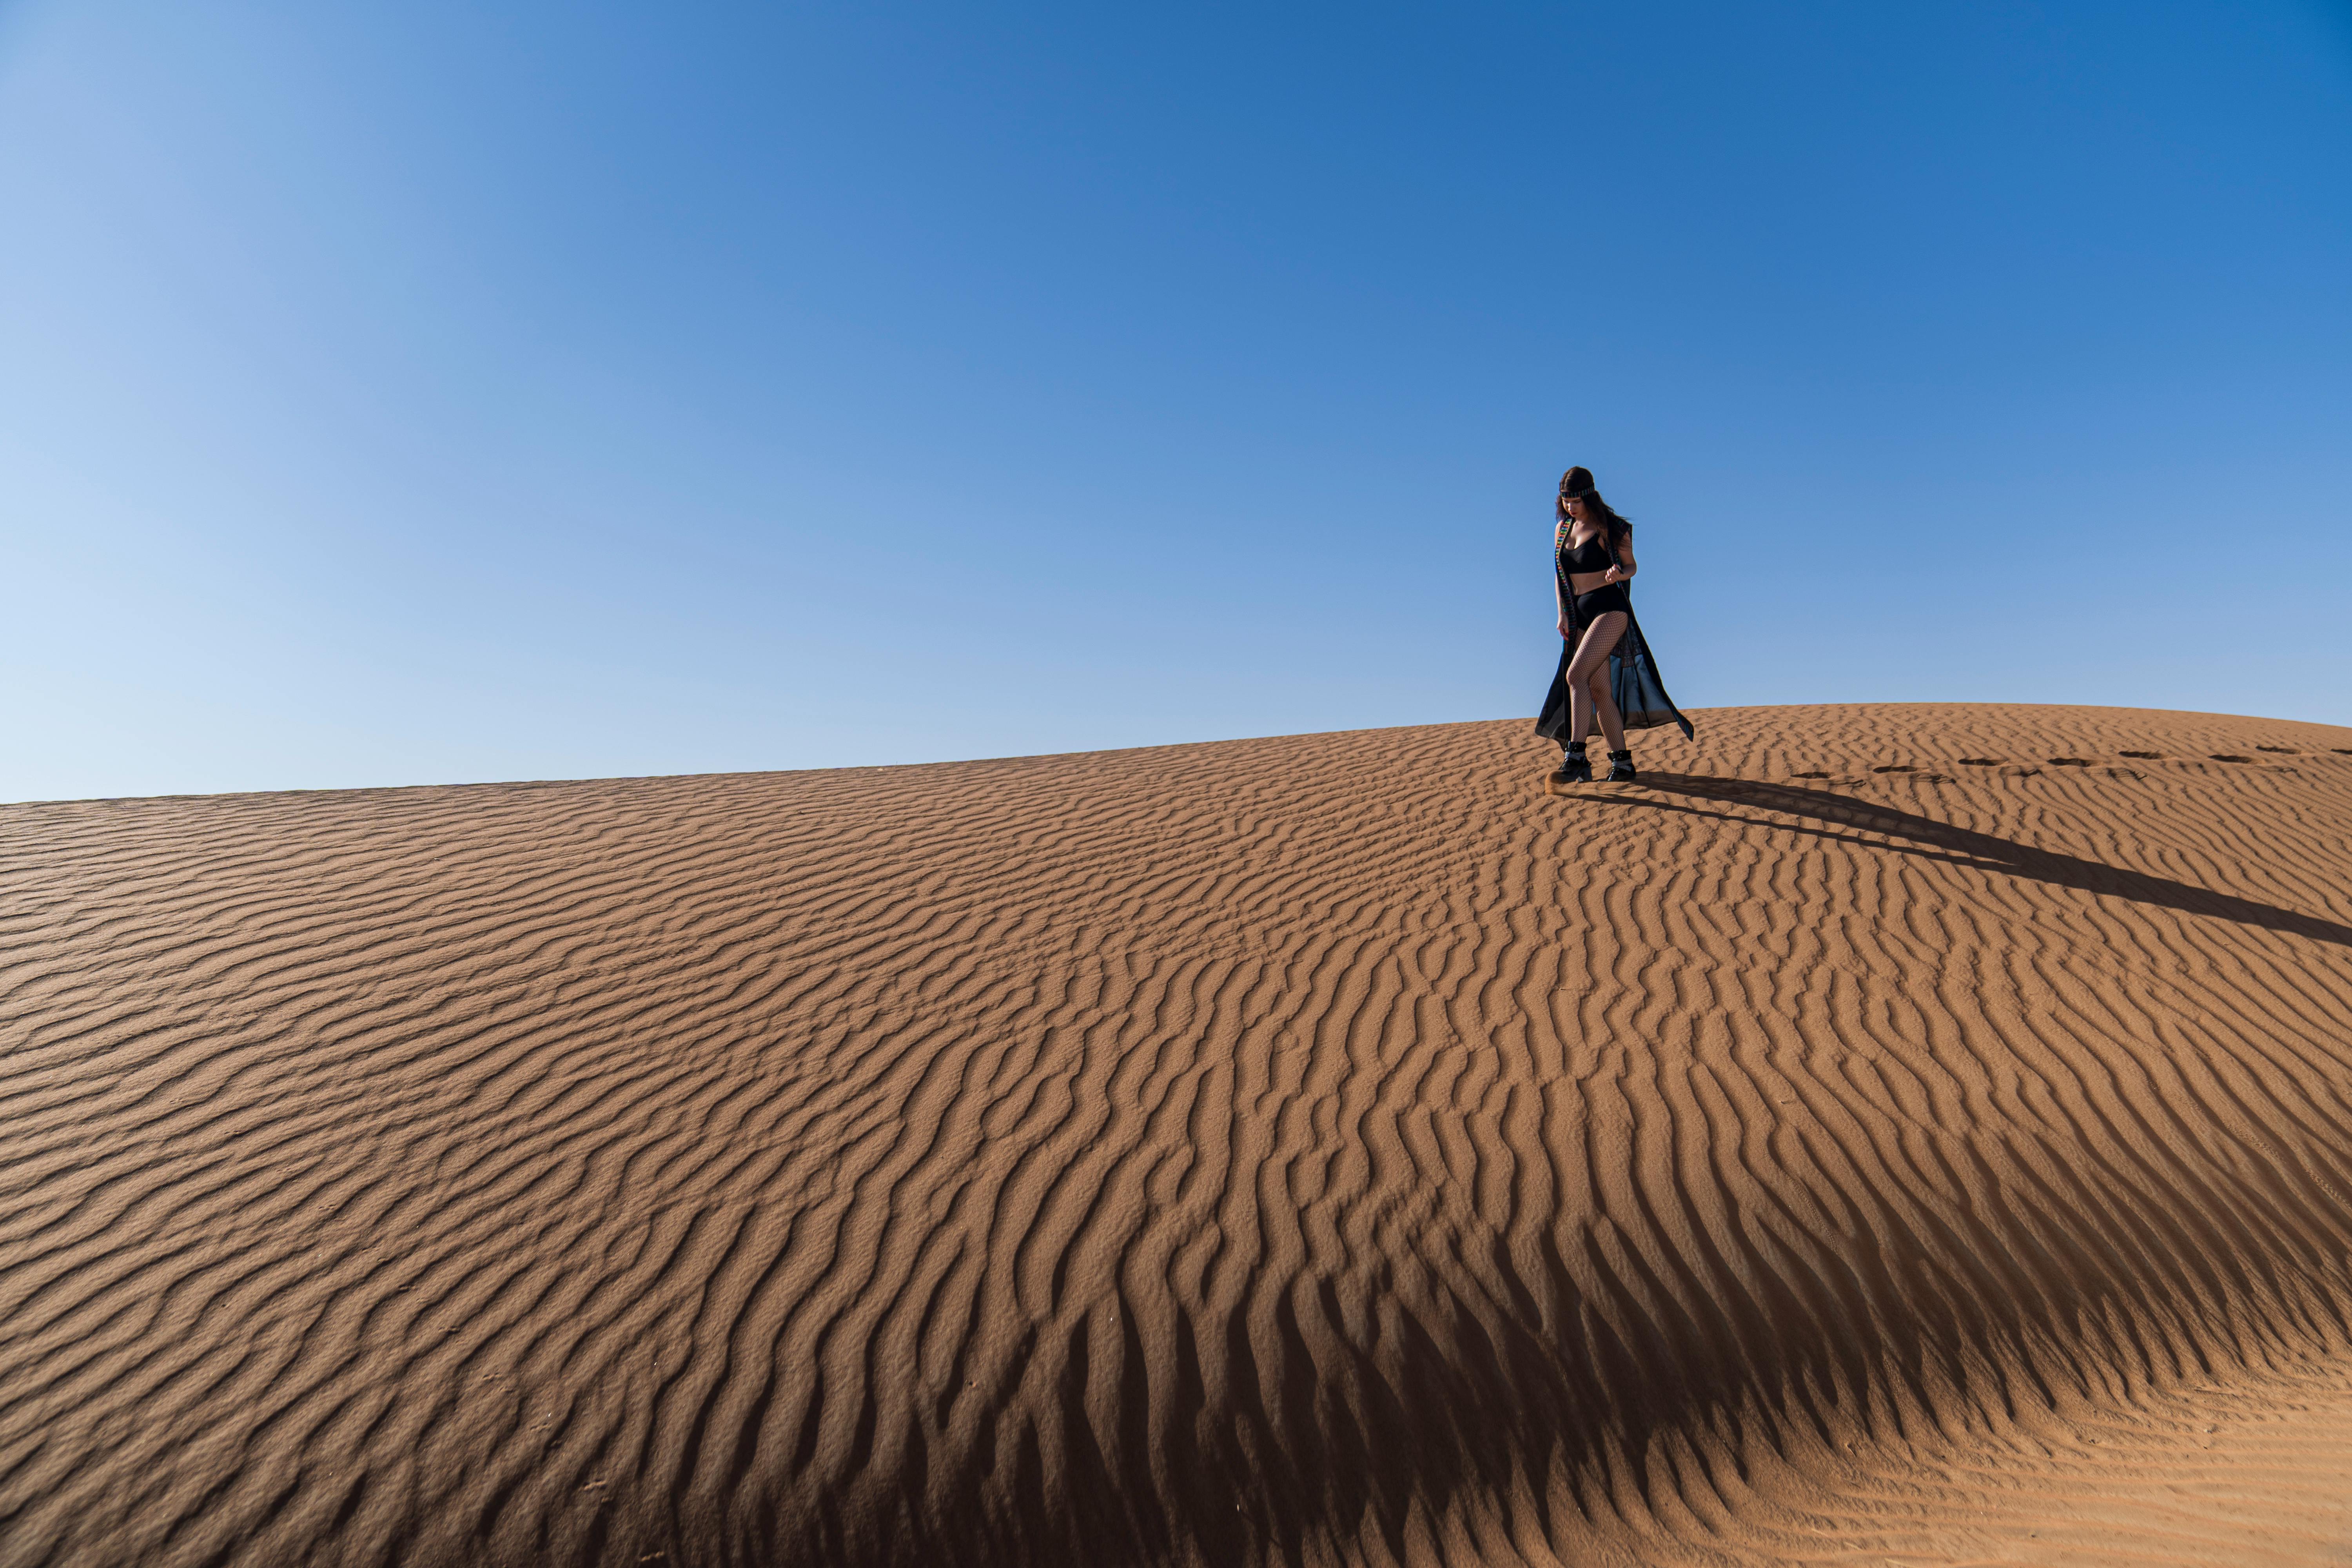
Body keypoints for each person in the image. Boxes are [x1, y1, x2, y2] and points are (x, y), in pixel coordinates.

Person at [1534, 466, 1694, 786]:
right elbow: (1558, 573)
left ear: (1589, 496)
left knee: (1575, 675)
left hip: (1609, 610)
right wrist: (1562, 614)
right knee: (1598, 689)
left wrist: (1621, 574)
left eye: (1576, 500)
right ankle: (1622, 762)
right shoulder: (1562, 530)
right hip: (1577, 613)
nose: (1570, 507)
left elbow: (1632, 564)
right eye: (1565, 500)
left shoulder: (1612, 527)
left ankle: (1576, 756)